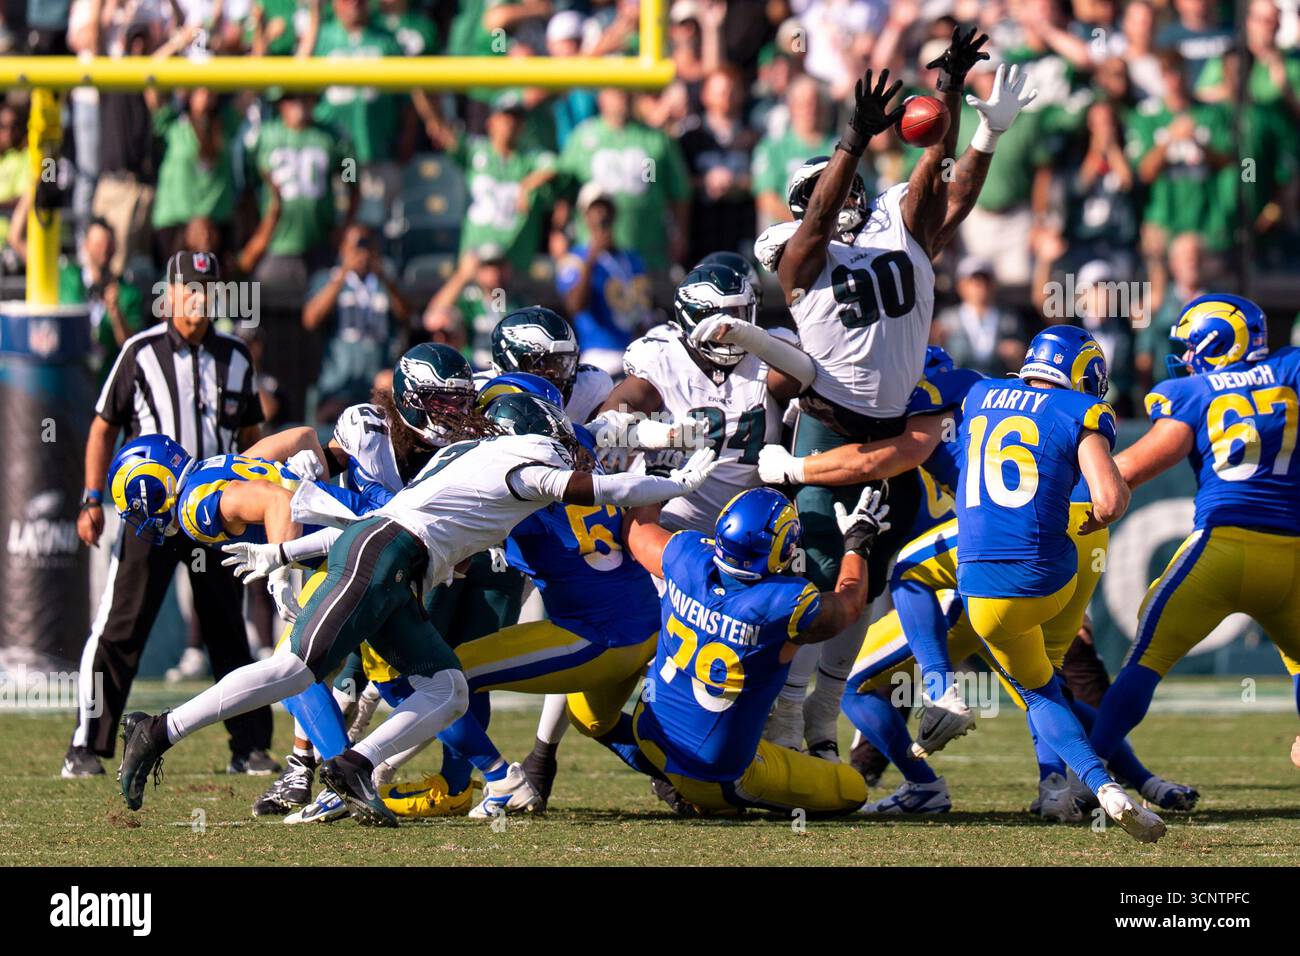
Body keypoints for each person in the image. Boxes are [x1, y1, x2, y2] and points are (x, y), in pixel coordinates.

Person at [117, 393, 724, 825]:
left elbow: (376, 524)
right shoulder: (526, 465)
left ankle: (355, 764)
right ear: (538, 430)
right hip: (381, 558)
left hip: (381, 555)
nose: (569, 440)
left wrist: (284, 549)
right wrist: (683, 483)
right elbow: (610, 489)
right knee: (297, 670)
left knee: (448, 689)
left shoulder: (461, 459)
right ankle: (158, 728)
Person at [64, 251, 275, 779]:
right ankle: (86, 746)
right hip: (151, 518)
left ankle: (248, 746)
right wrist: (92, 499)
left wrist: (255, 493)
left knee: (230, 631)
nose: (201, 300)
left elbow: (252, 438)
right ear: (170, 293)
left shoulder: (236, 356)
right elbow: (101, 427)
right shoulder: (138, 352)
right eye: (192, 289)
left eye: (209, 290)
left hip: (213, 511)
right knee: (120, 627)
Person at [955, 325, 1166, 843]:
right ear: (1084, 373)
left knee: (1040, 693)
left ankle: (1102, 787)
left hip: (977, 590)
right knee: (1074, 546)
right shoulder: (1083, 410)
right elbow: (1109, 501)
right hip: (1045, 579)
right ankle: (1111, 784)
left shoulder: (979, 395)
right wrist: (1099, 512)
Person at [1090, 295, 1300, 773]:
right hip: (1291, 557)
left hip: (1220, 548)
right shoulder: (1292, 371)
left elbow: (1134, 469)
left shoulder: (1192, 393)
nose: (1185, 356)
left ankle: (1087, 774)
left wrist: (1071, 482)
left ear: (1215, 343)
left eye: (1190, 345)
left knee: (1145, 661)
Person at [619, 485, 889, 817]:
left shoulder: (685, 553)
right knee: (851, 788)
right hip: (716, 774)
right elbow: (849, 605)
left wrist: (662, 483)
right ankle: (709, 800)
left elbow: (636, 529)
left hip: (648, 732)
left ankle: (683, 778)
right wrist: (857, 544)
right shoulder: (782, 603)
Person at [555, 184, 651, 377]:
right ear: (585, 216)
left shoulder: (632, 259)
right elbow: (574, 306)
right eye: (595, 209)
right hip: (598, 354)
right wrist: (591, 260)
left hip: (632, 351)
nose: (601, 215)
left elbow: (642, 309)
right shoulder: (574, 259)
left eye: (605, 208)